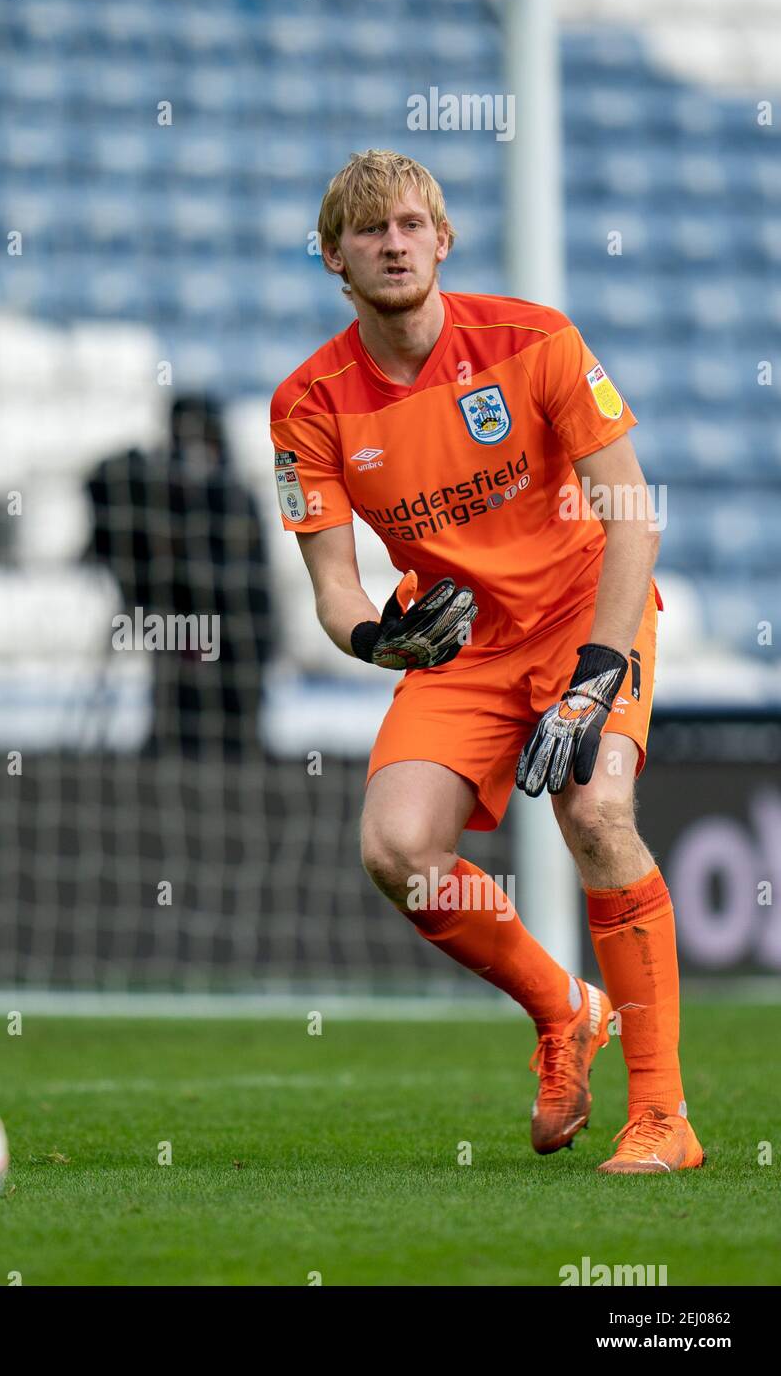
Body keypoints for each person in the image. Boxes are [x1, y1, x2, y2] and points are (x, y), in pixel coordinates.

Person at [271, 149, 700, 1174]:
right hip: (461, 646)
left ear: (442, 240)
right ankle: (565, 1010)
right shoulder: (308, 402)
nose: (393, 242)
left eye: (411, 224)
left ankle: (663, 1118)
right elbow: (333, 590)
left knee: (596, 814)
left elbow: (631, 511)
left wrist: (599, 667)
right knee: (397, 852)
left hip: (580, 613)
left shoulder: (534, 339)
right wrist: (377, 638)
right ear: (334, 256)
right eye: (369, 231)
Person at [85, 393, 274, 757]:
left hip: (232, 643)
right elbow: (103, 484)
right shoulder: (155, 493)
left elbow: (251, 592)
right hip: (180, 633)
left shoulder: (235, 501)